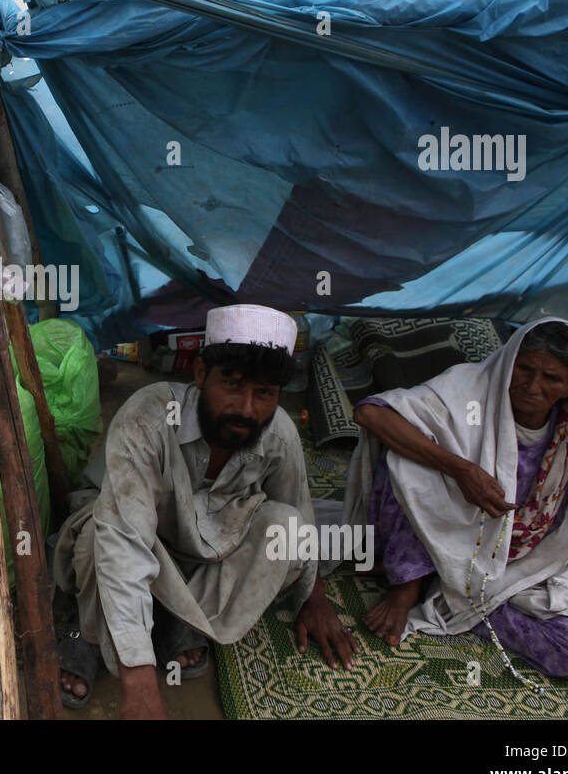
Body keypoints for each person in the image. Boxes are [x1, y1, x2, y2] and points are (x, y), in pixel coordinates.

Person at [53, 304, 356, 717]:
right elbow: (124, 539)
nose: (247, 409)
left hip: (203, 543)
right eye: (232, 384)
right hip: (120, 528)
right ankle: (88, 631)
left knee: (284, 527)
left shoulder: (277, 432)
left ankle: (175, 614)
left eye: (264, 393)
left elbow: (298, 512)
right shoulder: (149, 417)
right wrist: (141, 684)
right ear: (200, 375)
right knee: (97, 538)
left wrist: (314, 599)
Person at [346, 318, 568, 680]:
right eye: (525, 369)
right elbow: (370, 413)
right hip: (430, 531)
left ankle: (455, 594)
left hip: (511, 560)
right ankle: (410, 581)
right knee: (410, 461)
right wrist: (461, 471)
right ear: (510, 361)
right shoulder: (469, 387)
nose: (532, 386)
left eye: (551, 378)